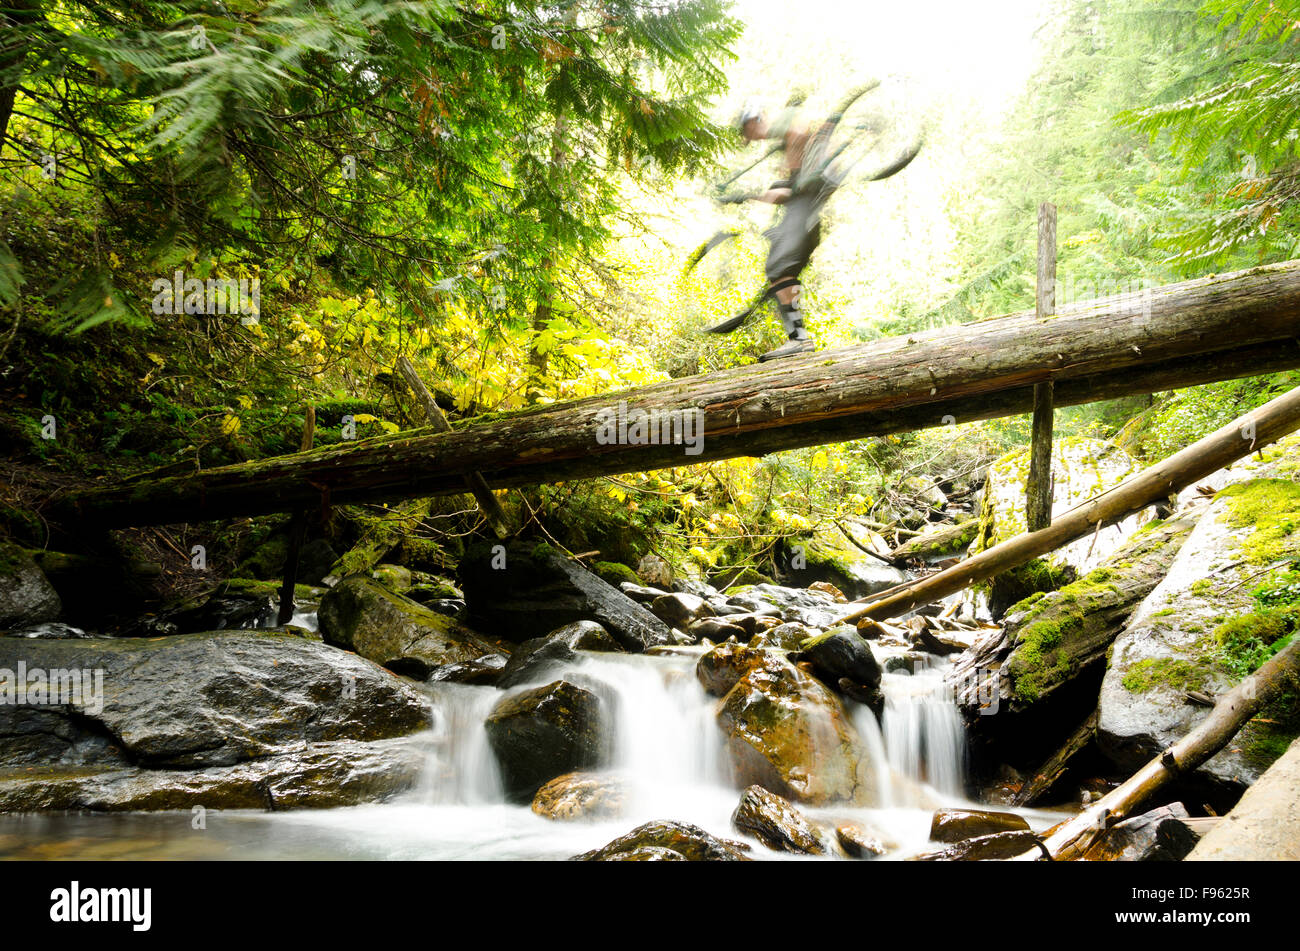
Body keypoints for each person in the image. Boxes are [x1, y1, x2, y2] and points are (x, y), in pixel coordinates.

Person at [734, 99, 835, 362]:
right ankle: (798, 338)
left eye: (750, 133)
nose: (753, 139)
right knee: (778, 271)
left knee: (778, 268)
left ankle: (799, 340)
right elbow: (786, 192)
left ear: (754, 120)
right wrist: (750, 196)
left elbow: (799, 129)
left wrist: (795, 171)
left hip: (805, 210)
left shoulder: (784, 123)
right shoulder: (787, 147)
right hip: (803, 210)